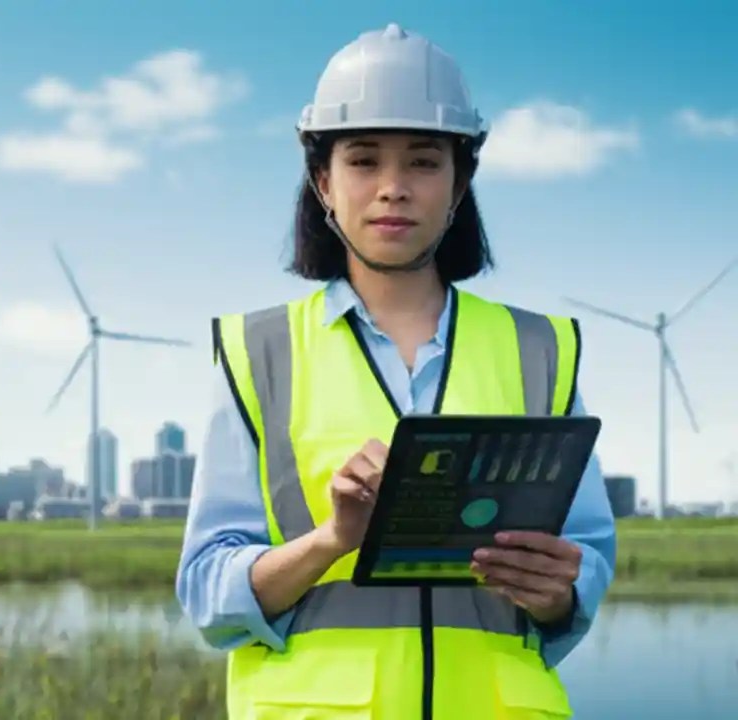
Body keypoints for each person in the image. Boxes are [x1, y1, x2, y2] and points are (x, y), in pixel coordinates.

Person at [175, 22, 617, 720]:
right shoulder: (259, 352)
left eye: (422, 161)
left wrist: (561, 588)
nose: (393, 188)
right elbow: (207, 592)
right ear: (322, 180)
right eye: (362, 161)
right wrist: (331, 542)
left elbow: (588, 558)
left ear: (460, 180)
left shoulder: (541, 350)